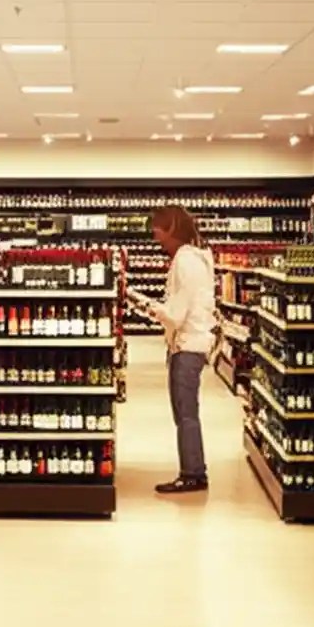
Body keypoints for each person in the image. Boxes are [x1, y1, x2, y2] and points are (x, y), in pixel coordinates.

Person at [138, 205, 218, 494]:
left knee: (185, 413)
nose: (155, 235)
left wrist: (148, 306)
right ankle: (194, 470)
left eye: (157, 228)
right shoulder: (197, 257)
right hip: (192, 342)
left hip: (187, 345)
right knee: (186, 411)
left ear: (171, 228)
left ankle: (193, 474)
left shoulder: (185, 261)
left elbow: (175, 315)